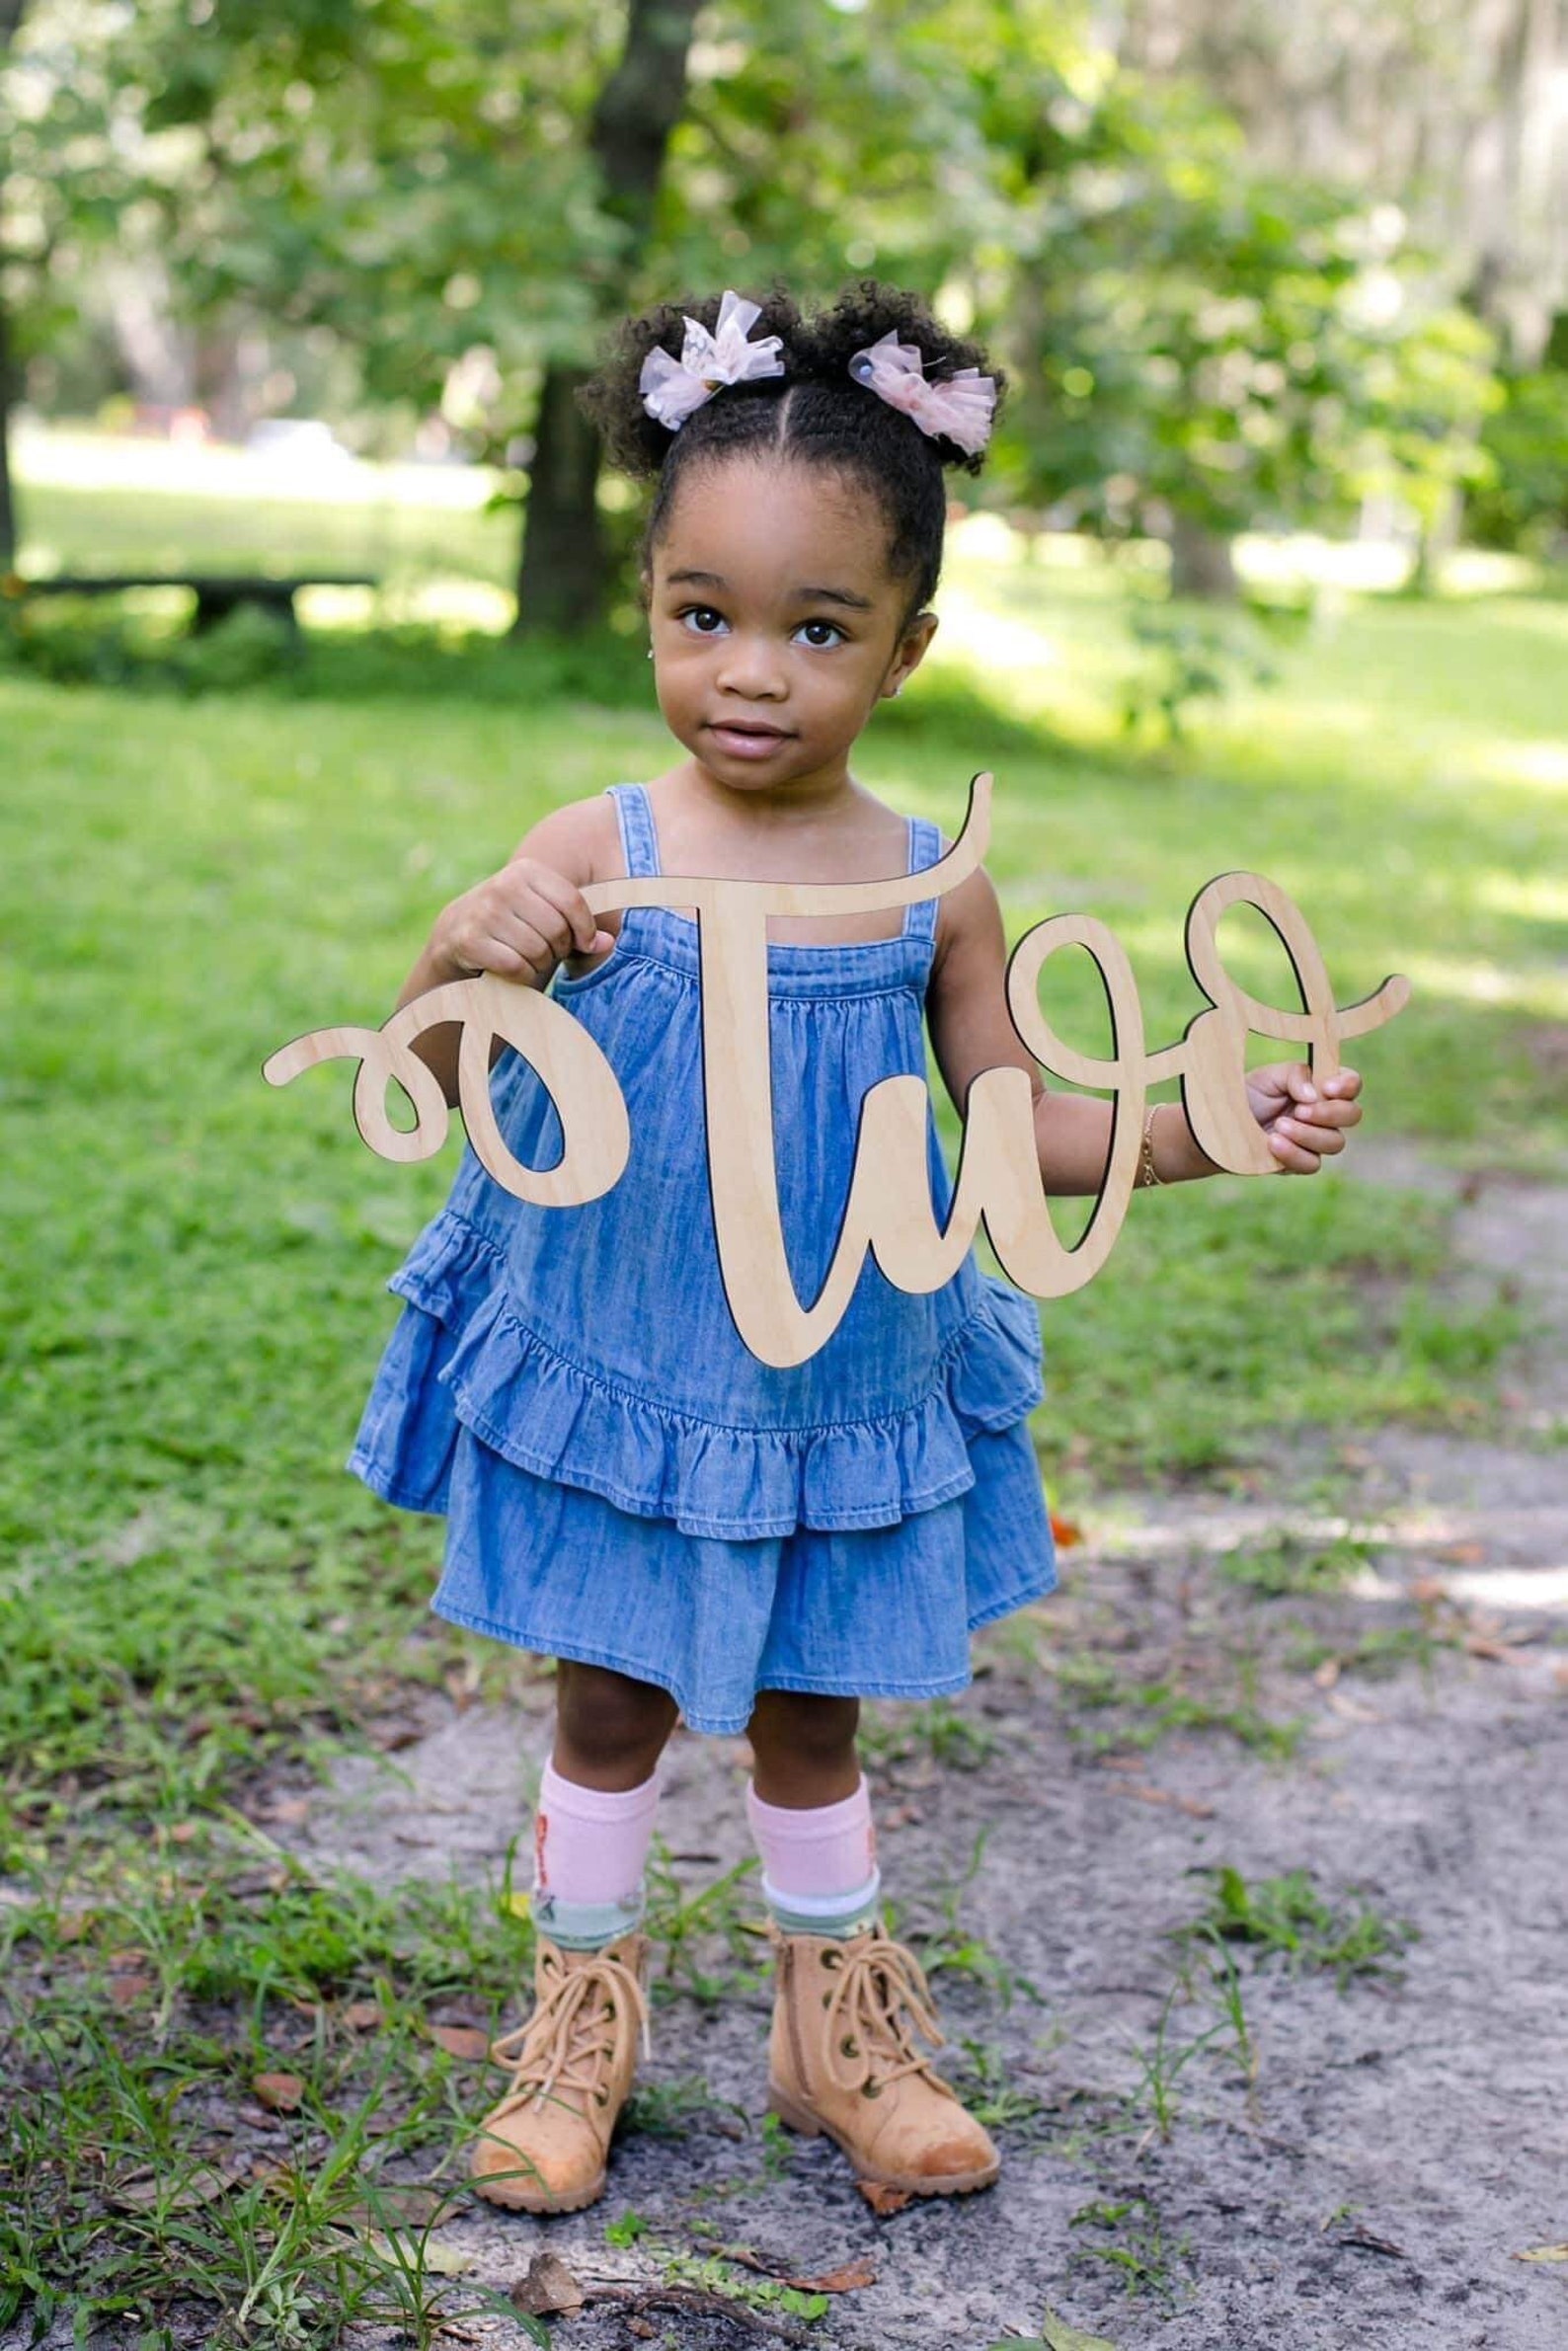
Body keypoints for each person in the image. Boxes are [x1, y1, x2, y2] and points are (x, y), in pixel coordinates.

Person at [348, 283, 1365, 2215]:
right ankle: (580, 2020)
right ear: (644, 597)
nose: (749, 673)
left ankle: (839, 2033)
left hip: (836, 1365)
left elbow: (1016, 1132)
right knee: (607, 1694)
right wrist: (452, 952)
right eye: (699, 615)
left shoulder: (928, 878)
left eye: (816, 630)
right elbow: (429, 1086)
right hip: (627, 1347)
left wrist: (1203, 1129)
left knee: (814, 1706)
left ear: (906, 647)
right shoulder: (595, 847)